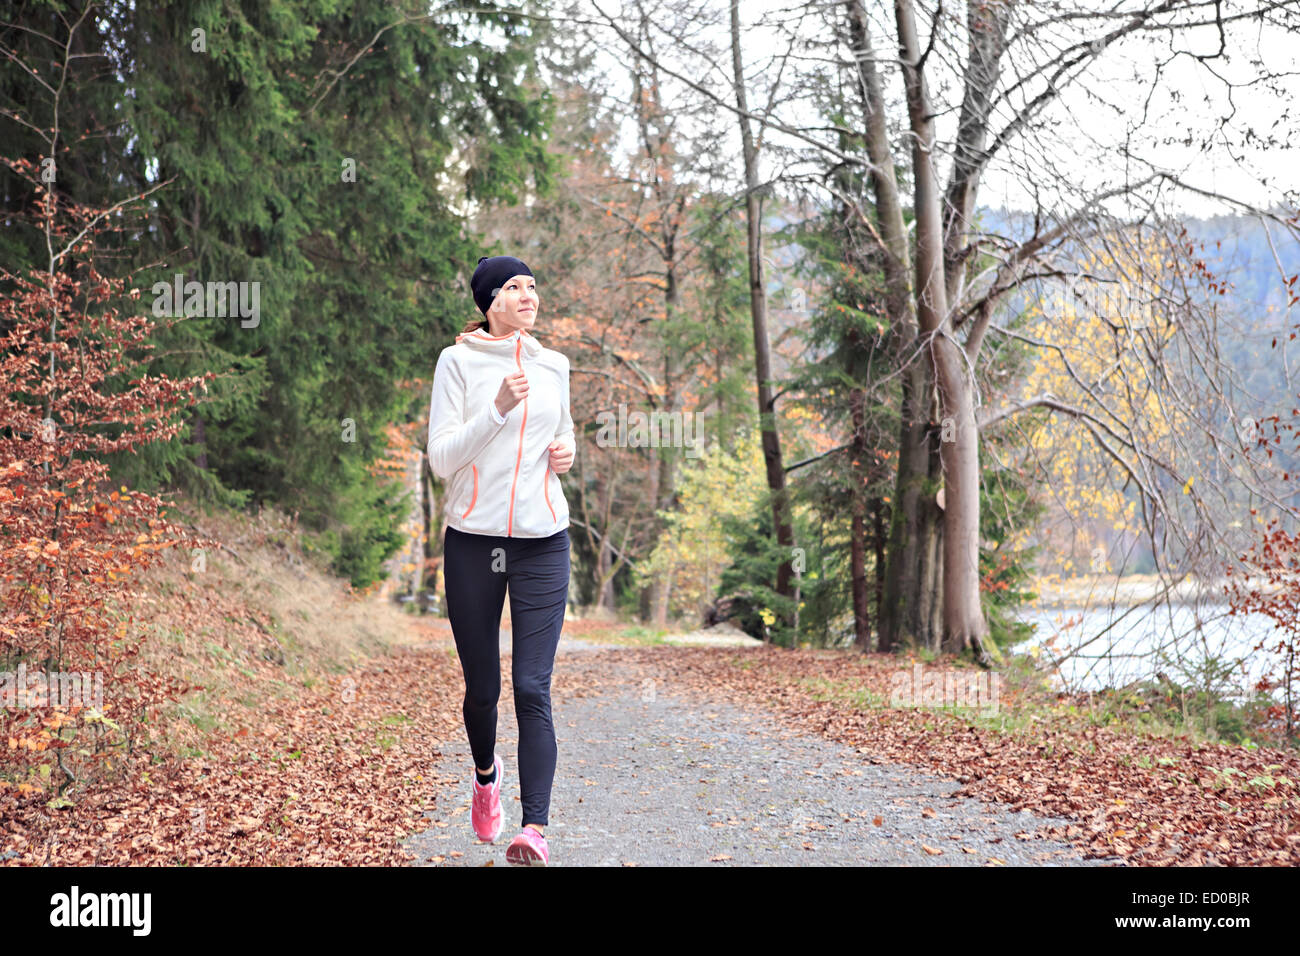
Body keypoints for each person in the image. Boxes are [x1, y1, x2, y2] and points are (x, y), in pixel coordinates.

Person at [426, 255, 576, 866]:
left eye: (533, 286)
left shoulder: (554, 365)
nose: (527, 295)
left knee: (531, 686)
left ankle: (534, 827)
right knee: (483, 688)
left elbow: (561, 433)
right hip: (475, 542)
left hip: (544, 540)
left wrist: (567, 454)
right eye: (514, 287)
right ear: (489, 301)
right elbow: (442, 458)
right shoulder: (456, 363)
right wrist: (496, 410)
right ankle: (486, 776)